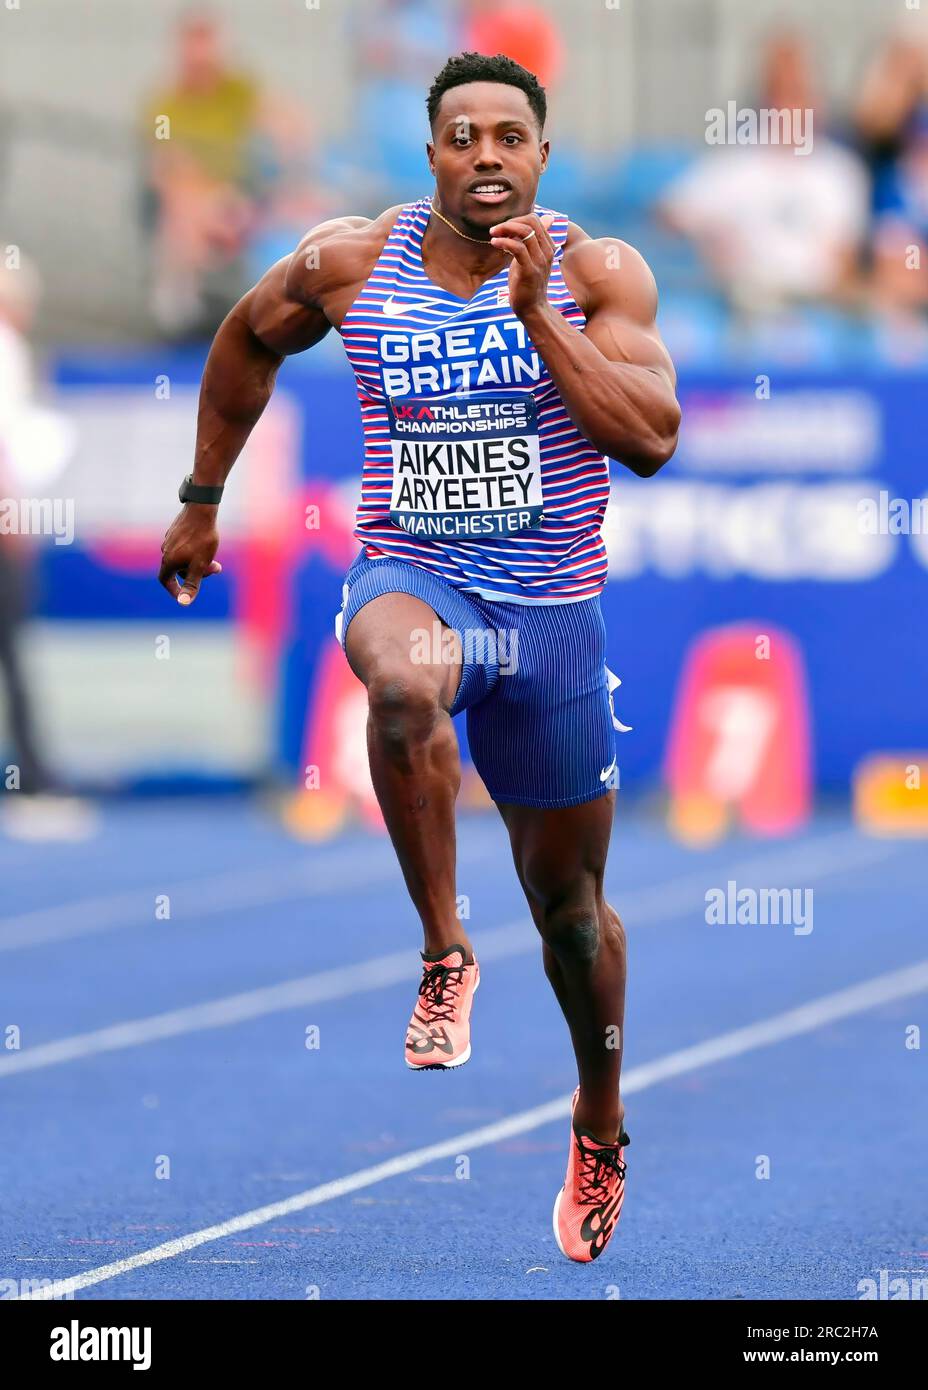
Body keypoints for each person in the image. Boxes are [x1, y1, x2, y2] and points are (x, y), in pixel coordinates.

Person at [158, 51, 680, 1263]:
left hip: (549, 616)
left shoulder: (600, 273)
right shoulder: (352, 263)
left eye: (509, 135)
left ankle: (598, 1118)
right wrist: (199, 498)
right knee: (398, 688)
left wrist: (539, 315)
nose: (486, 154)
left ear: (541, 158)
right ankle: (444, 948)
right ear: (431, 151)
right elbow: (244, 340)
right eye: (461, 136)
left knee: (572, 916)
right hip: (415, 579)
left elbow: (649, 438)